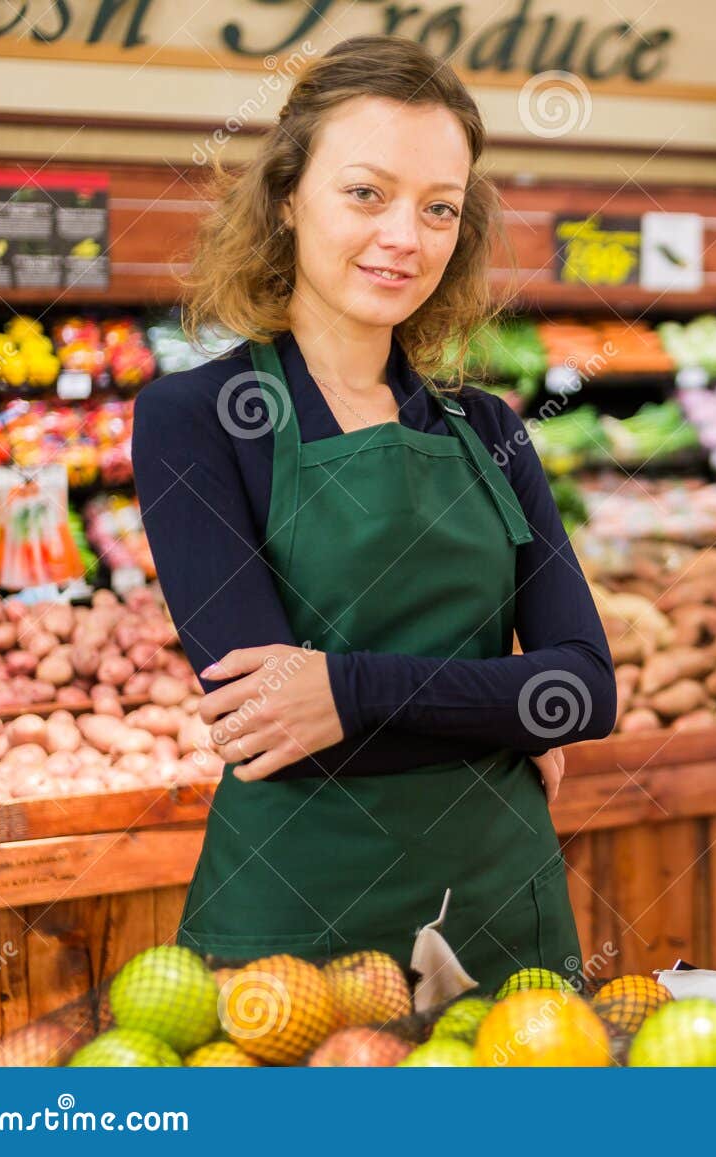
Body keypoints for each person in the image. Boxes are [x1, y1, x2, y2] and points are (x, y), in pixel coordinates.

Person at [132, 35, 617, 989]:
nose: (407, 235)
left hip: (501, 914)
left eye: (440, 208)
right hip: (295, 927)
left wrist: (344, 694)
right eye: (367, 193)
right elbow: (266, 716)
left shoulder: (492, 428)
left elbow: (586, 690)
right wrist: (500, 713)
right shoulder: (192, 420)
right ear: (286, 197)